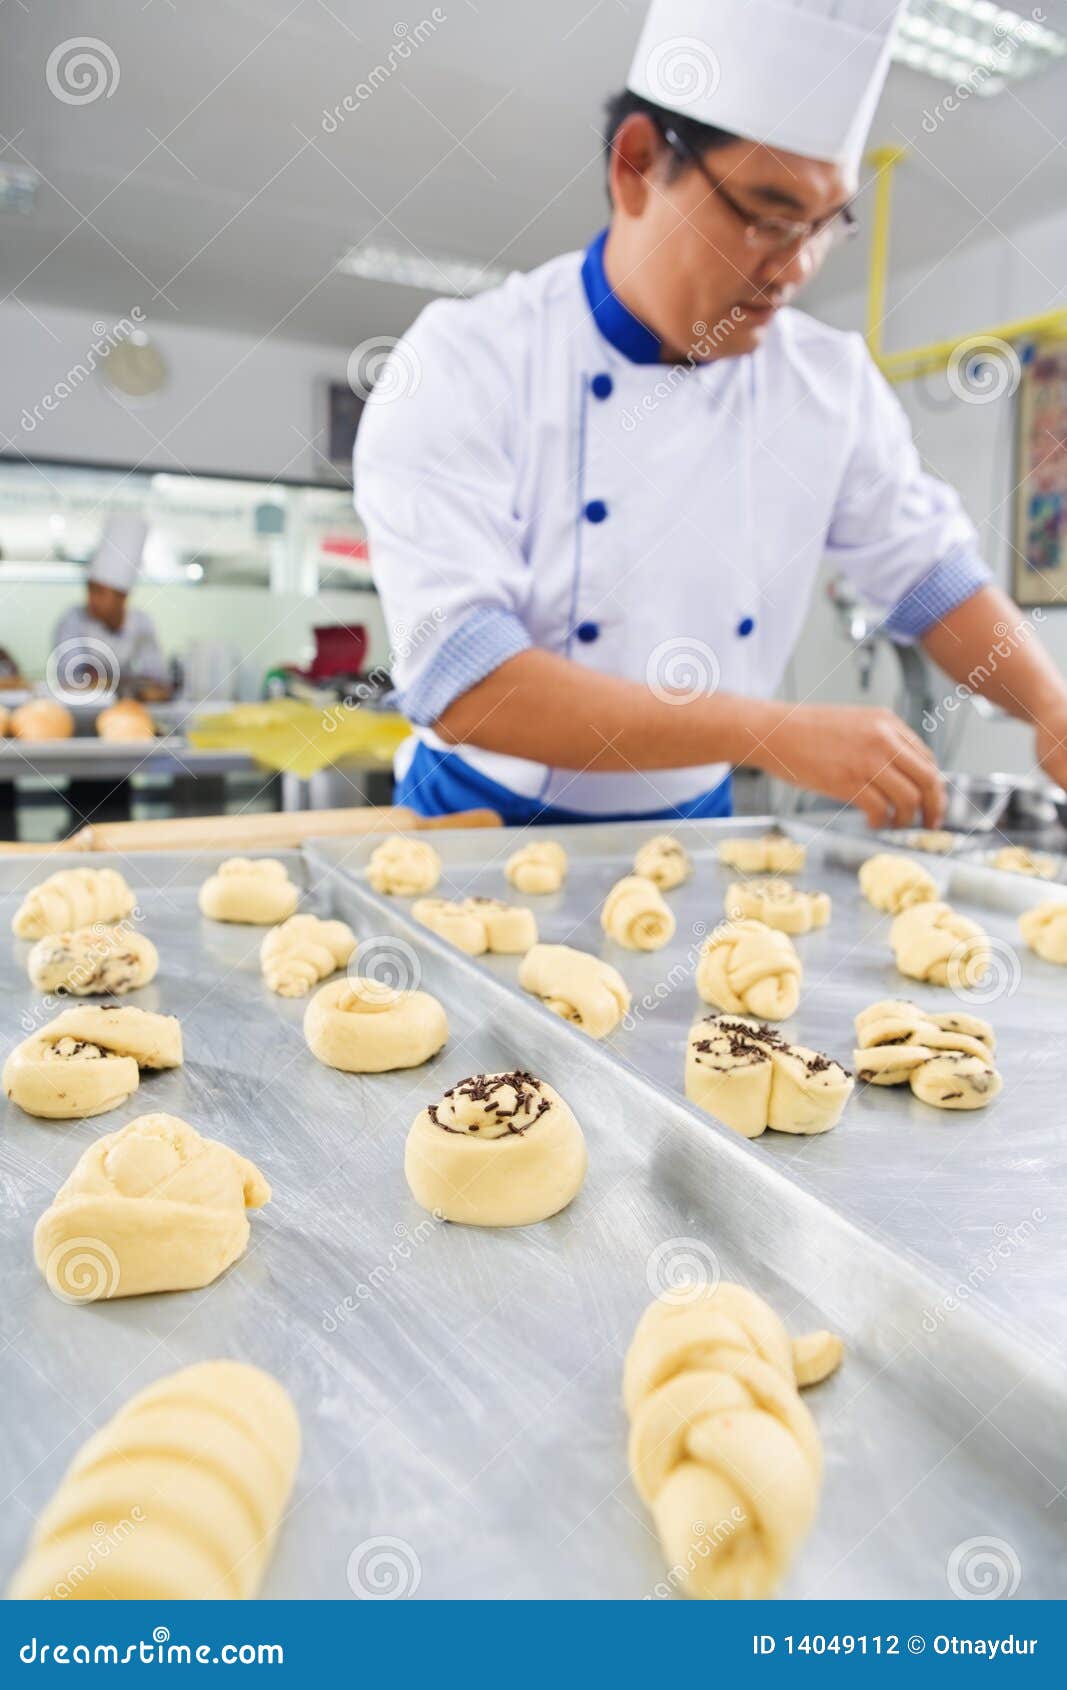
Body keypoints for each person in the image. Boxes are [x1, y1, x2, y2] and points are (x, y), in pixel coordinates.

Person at [355, 0, 1067, 827]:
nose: (794, 266)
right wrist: (770, 731)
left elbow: (931, 579)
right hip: (479, 825)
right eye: (766, 216)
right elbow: (466, 680)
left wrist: (1049, 705)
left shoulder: (825, 383)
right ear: (636, 166)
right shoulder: (466, 362)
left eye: (822, 225)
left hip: (695, 826)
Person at [52, 513, 171, 701]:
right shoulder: (72, 620)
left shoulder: (142, 624)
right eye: (90, 589)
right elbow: (70, 680)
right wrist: (130, 683)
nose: (91, 599)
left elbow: (158, 682)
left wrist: (105, 680)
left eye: (100, 592)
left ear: (122, 597)